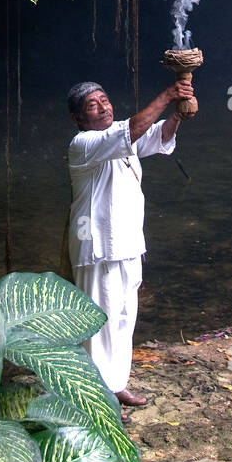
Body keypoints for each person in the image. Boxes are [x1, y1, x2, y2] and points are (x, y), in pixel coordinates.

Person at [66, 76, 195, 407]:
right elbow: (133, 130)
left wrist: (178, 113)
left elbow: (157, 136)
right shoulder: (83, 144)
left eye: (105, 100)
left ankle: (117, 383)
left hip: (126, 244)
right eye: (92, 106)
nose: (103, 107)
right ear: (79, 119)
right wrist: (167, 94)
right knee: (99, 324)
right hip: (97, 249)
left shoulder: (120, 141)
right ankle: (97, 400)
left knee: (124, 316)